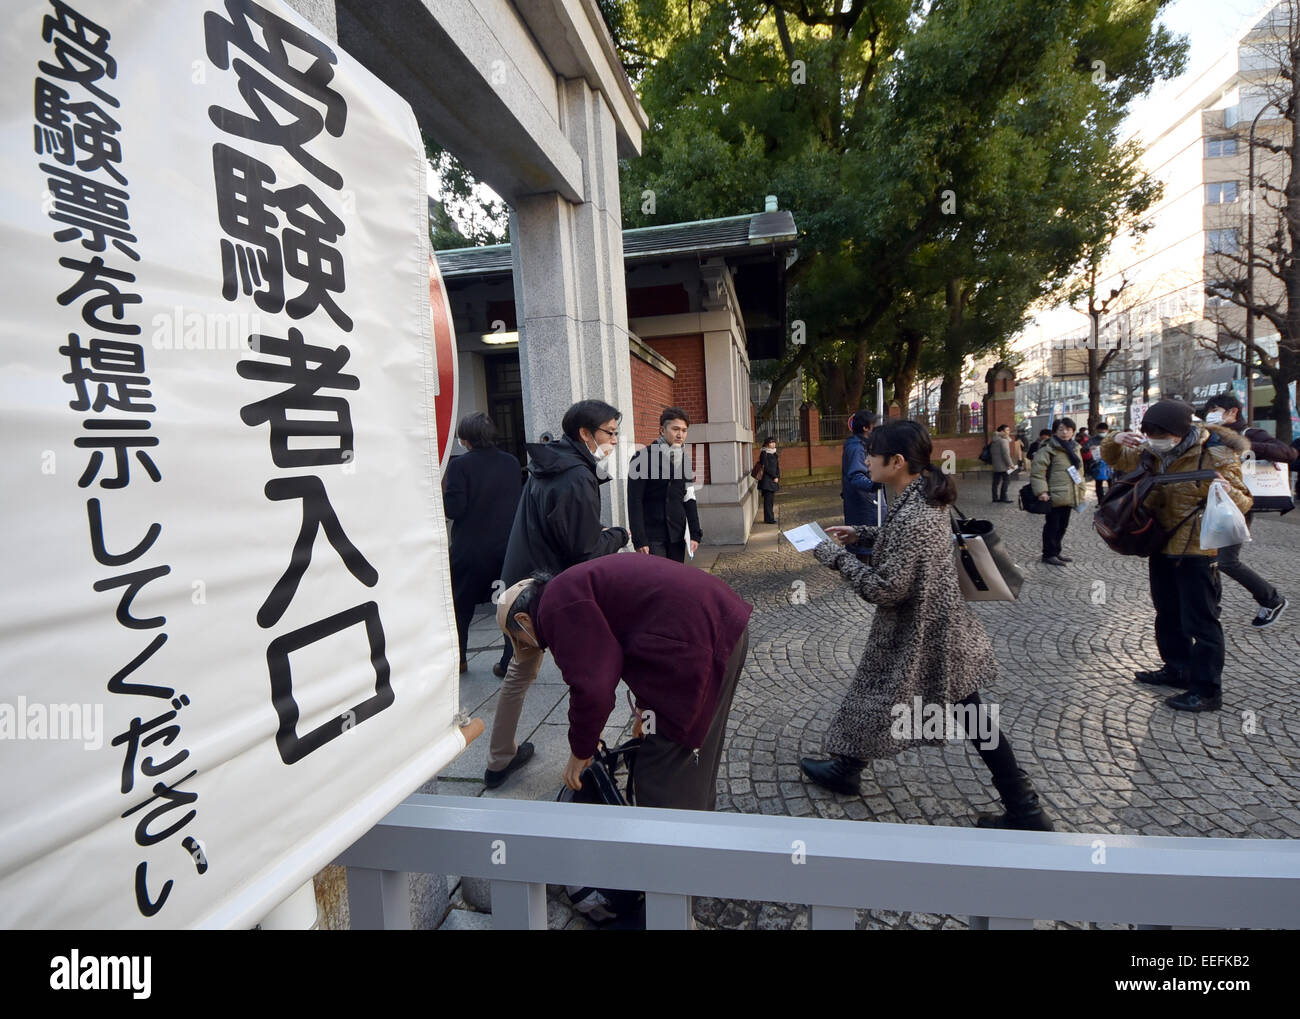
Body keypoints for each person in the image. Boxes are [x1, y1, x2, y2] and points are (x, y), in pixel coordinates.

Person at [798, 420, 1054, 831]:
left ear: (897, 462)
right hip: (931, 627)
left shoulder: (917, 511)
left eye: (872, 455)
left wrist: (834, 556)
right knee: (890, 693)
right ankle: (847, 766)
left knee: (967, 713)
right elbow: (903, 539)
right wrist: (861, 532)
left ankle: (1025, 809)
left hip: (926, 633)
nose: (865, 460)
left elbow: (886, 589)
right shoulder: (920, 496)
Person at [496, 554, 751, 810]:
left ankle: (674, 842)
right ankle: (701, 829)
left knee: (659, 773)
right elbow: (638, 634)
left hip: (699, 642)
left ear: (523, 620)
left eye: (520, 639)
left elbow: (593, 688)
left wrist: (580, 751)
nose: (529, 647)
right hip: (721, 623)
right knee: (694, 759)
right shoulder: (567, 587)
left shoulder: (555, 609)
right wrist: (644, 712)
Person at [485, 399, 630, 788]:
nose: (614, 441)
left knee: (519, 670)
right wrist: (618, 535)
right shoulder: (576, 477)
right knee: (587, 675)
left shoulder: (548, 463)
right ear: (585, 434)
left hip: (519, 593)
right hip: (554, 596)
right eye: (609, 433)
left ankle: (498, 758)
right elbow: (583, 551)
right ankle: (587, 760)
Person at [1100, 400, 1252, 712]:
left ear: (1180, 432)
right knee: (1167, 613)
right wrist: (1114, 439)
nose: (1155, 438)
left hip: (1198, 549)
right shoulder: (1151, 451)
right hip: (1161, 544)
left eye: (1160, 434)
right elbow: (1114, 458)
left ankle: (1208, 691)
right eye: (1149, 433)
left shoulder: (1217, 453)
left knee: (1201, 621)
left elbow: (1245, 502)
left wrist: (1226, 489)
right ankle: (1177, 669)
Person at [1201, 393, 1294, 628]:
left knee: (1225, 560)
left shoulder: (1248, 433)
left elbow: (1288, 453)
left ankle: (1272, 599)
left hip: (1238, 504)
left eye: (1216, 409)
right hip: (1211, 502)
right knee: (1207, 558)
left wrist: (1243, 445)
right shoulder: (1208, 434)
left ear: (1233, 412)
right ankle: (1212, 609)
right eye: (1209, 409)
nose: (1211, 413)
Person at [442, 412, 522, 676]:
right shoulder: (511, 462)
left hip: (470, 548)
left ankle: (461, 659)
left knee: (460, 606)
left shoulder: (459, 467)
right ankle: (508, 660)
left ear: (465, 439)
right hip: (506, 547)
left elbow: (455, 509)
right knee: (507, 604)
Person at [627, 407, 702, 562]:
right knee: (658, 581)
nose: (680, 435)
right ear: (662, 430)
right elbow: (634, 500)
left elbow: (689, 498)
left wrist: (695, 533)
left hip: (677, 534)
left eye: (684, 430)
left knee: (675, 580)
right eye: (675, 429)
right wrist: (639, 539)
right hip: (652, 536)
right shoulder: (642, 457)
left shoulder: (685, 460)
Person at [1030, 417, 1088, 566]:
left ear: (1073, 431)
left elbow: (1079, 473)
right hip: (1053, 494)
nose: (1064, 432)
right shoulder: (1048, 449)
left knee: (1063, 525)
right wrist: (1042, 491)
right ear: (1055, 431)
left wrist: (1081, 490)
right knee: (1052, 525)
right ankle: (1048, 554)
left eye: (1068, 429)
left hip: (1069, 493)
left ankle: (1056, 551)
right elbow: (1038, 472)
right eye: (1061, 429)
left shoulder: (1075, 448)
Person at [756, 435, 780, 524]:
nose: (773, 444)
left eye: (774, 442)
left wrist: (778, 476)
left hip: (773, 480)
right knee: (768, 501)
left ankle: (770, 518)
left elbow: (777, 467)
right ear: (766, 444)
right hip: (767, 481)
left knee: (771, 501)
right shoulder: (764, 453)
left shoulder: (774, 453)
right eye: (771, 442)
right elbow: (765, 467)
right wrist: (774, 476)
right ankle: (769, 519)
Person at [1087, 422, 1113, 501]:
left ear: (1107, 431)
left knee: (1111, 483)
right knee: (1098, 483)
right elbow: (1084, 449)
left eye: (1103, 432)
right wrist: (1090, 448)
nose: (1101, 433)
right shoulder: (1092, 440)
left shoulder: (1111, 439)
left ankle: (1111, 500)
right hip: (1097, 464)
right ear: (1097, 431)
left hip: (1110, 464)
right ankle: (1100, 501)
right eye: (1100, 432)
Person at [989, 423, 1014, 502]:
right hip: (1003, 465)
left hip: (996, 464)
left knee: (995, 482)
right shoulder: (1003, 441)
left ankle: (995, 497)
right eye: (1007, 430)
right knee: (1006, 481)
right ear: (1002, 431)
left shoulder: (994, 440)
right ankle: (1003, 497)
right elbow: (1006, 454)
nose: (1009, 431)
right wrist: (1010, 464)